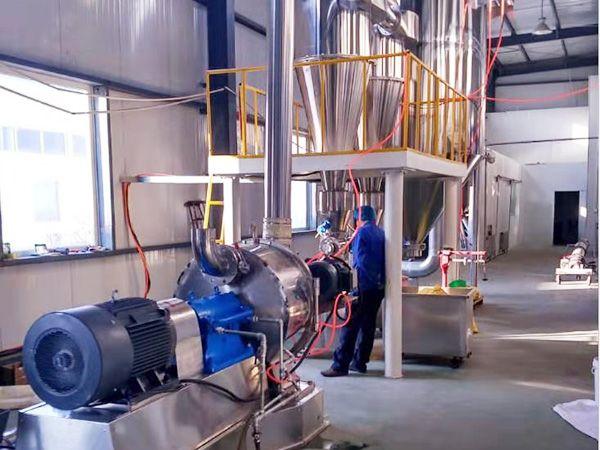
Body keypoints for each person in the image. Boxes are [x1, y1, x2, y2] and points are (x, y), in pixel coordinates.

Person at [321, 205, 385, 377]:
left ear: (358, 219)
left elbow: (360, 262)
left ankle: (340, 366)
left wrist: (356, 287)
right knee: (368, 325)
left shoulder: (361, 233)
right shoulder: (380, 232)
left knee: (350, 325)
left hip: (364, 286)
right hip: (378, 287)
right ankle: (360, 362)